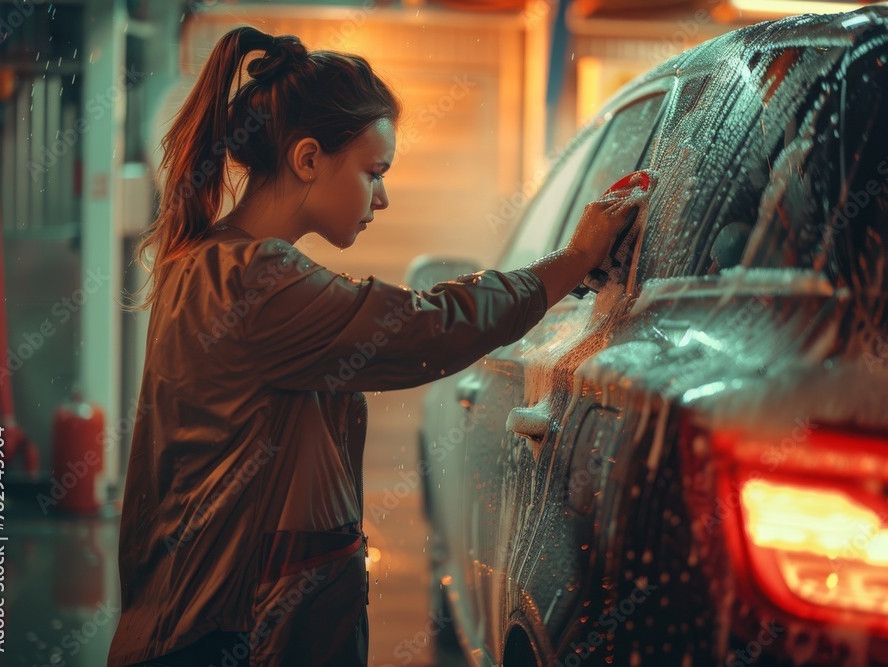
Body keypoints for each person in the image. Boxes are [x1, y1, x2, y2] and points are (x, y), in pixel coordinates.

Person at [107, 25, 651, 667]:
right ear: (308, 159)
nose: (384, 198)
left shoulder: (207, 262)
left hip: (203, 628)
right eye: (373, 173)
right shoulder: (256, 280)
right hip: (234, 640)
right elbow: (426, 327)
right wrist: (576, 259)